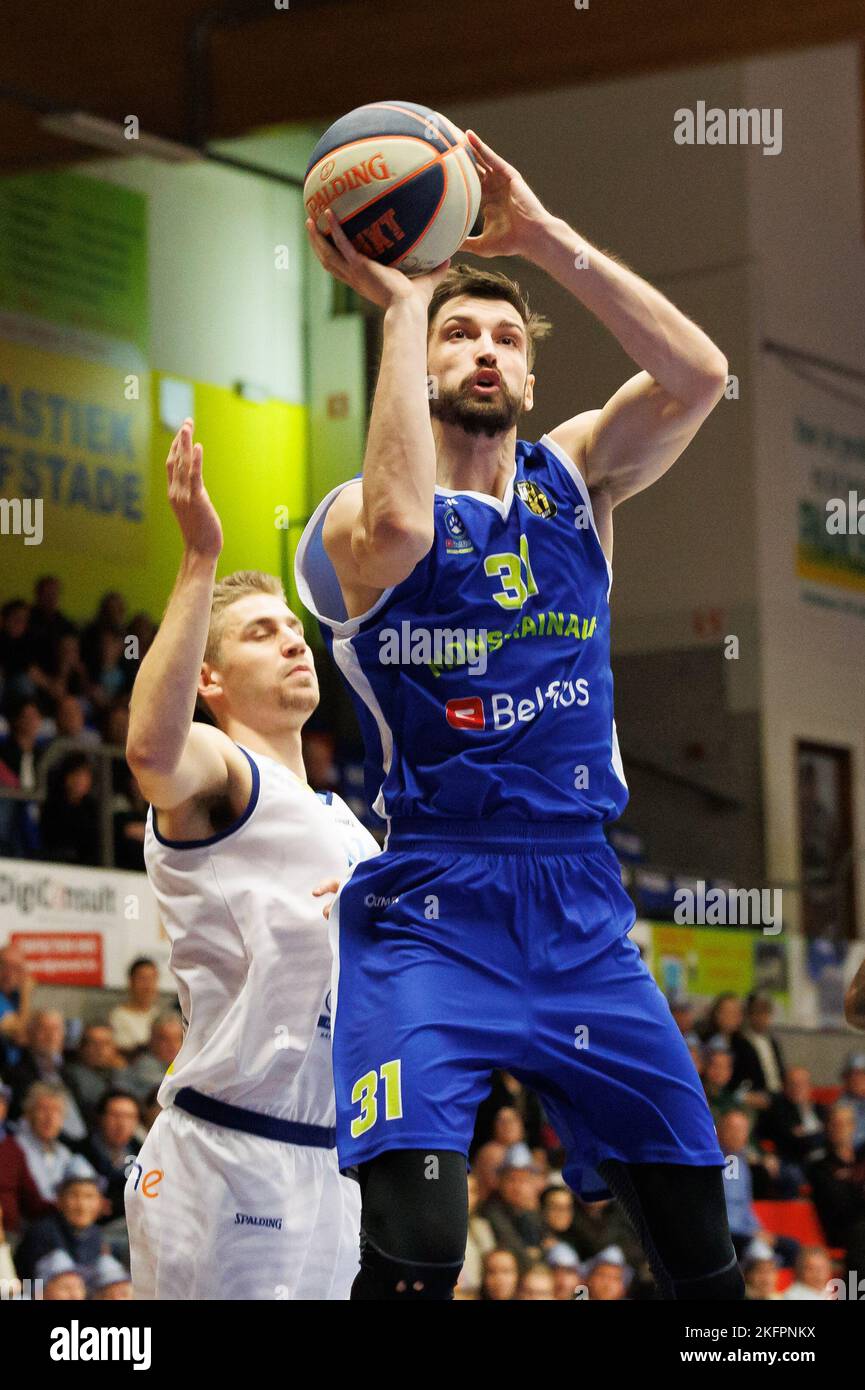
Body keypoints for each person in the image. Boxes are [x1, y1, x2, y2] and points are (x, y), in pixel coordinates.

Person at [297, 127, 738, 1302]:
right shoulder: (350, 516)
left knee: (704, 1258)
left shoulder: (575, 473)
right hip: (435, 905)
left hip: (582, 904)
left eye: (503, 336)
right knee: (420, 1253)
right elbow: (398, 532)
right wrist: (401, 305)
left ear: (530, 378)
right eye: (459, 331)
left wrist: (546, 241)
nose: (483, 349)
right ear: (420, 359)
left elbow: (700, 378)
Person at [124, 419, 378, 1300]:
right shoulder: (217, 768)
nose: (293, 640)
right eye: (263, 632)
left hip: (334, 1164)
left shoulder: (347, 822)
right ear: (211, 678)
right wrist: (199, 562)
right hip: (228, 1155)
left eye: (294, 628)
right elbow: (149, 756)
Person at [14, 1172, 107, 1282]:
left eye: (89, 1196)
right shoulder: (42, 1233)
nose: (82, 1205)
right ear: (59, 1201)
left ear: (101, 1203)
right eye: (74, 1196)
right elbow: (27, 1281)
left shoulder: (96, 1234)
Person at [109, 958, 163, 1056]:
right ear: (130, 982)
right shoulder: (118, 1016)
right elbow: (124, 1051)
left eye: (152, 979)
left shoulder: (161, 1015)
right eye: (143, 979)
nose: (148, 986)